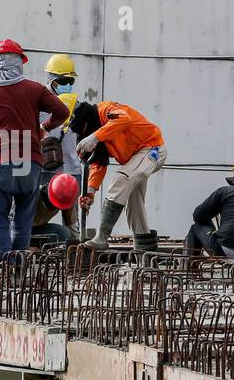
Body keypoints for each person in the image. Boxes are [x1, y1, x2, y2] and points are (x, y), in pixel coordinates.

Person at [0, 39, 69, 260]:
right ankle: (18, 263)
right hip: (31, 163)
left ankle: (4, 262)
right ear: (20, 63)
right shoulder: (35, 89)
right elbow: (63, 111)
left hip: (2, 163)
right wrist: (43, 128)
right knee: (23, 216)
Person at [70, 99, 166, 252]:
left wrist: (95, 137)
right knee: (135, 205)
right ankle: (145, 252)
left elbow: (124, 119)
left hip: (151, 148)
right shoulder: (89, 130)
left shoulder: (106, 110)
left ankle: (101, 237)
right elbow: (98, 163)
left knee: (121, 179)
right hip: (136, 158)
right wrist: (90, 191)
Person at [40, 53, 81, 234]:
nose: (68, 85)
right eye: (63, 81)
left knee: (72, 223)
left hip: (71, 169)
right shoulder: (38, 105)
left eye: (70, 81)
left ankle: (73, 255)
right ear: (51, 80)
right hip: (44, 171)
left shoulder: (78, 107)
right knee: (37, 214)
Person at [31, 172, 80, 246]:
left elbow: (72, 226)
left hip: (38, 230)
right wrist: (26, 247)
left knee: (63, 233)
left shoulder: (66, 198)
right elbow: (12, 225)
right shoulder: (32, 196)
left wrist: (77, 245)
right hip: (20, 230)